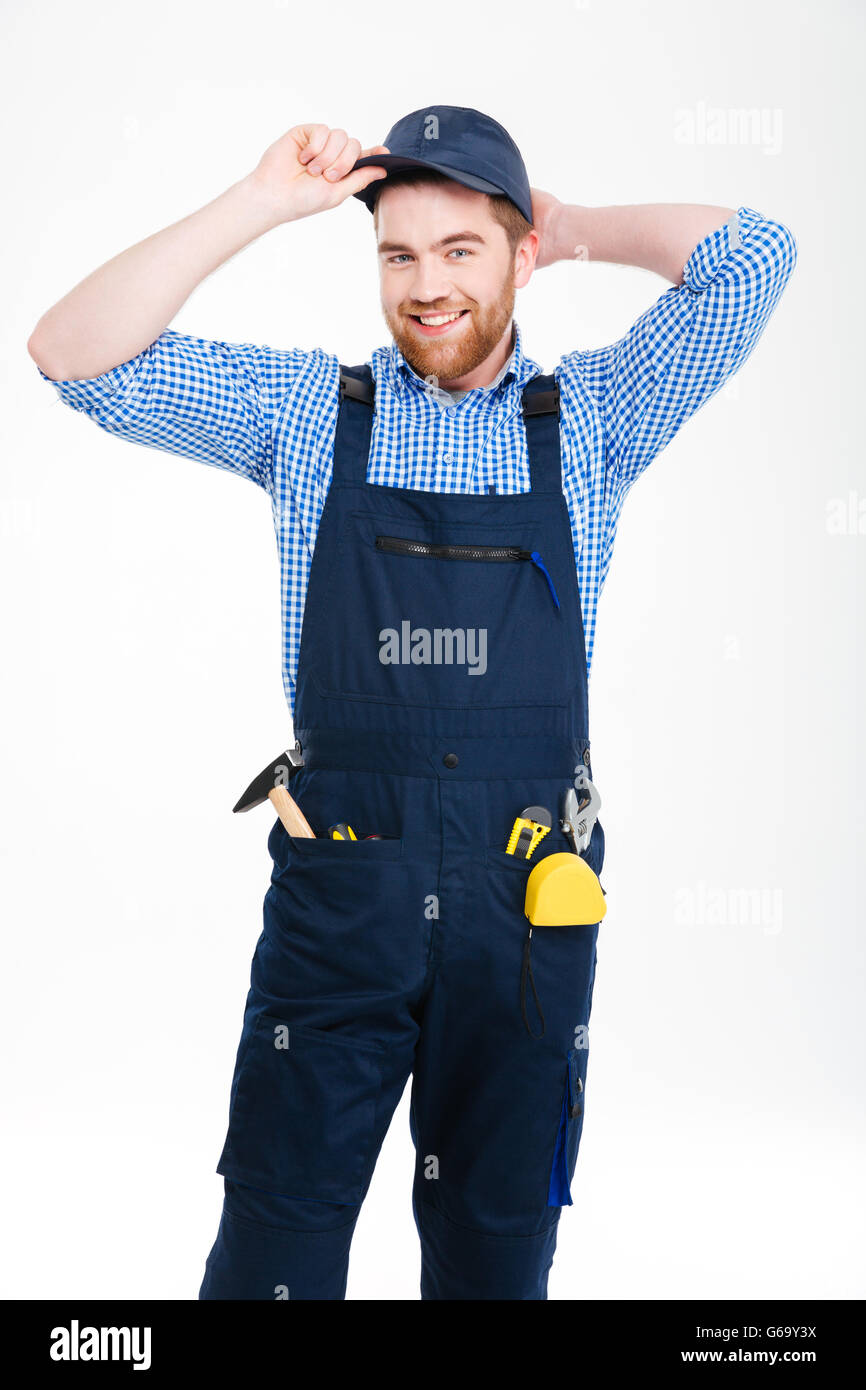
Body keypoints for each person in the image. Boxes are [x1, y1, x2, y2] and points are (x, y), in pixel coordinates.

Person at [28, 106, 797, 1301]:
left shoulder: (590, 420)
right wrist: (257, 202)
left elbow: (757, 257)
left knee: (495, 1256)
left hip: (525, 900)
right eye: (397, 254)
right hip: (344, 887)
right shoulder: (306, 415)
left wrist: (569, 223)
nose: (425, 286)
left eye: (459, 250)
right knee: (274, 1243)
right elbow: (72, 354)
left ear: (515, 257)